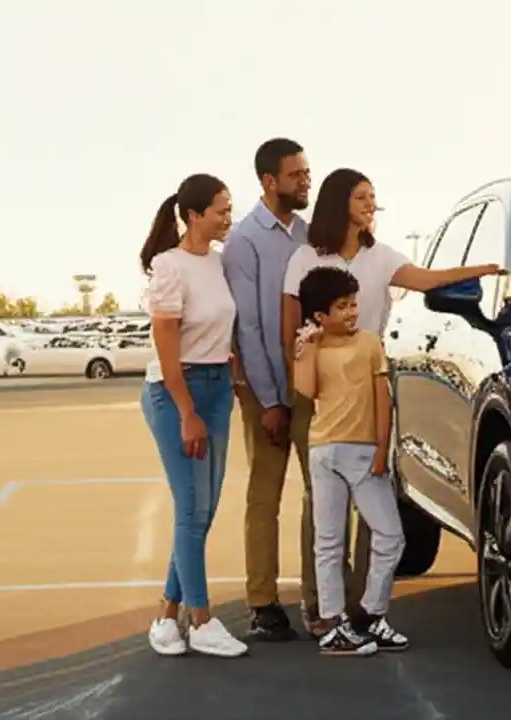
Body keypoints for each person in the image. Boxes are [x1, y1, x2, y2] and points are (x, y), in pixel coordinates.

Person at [279, 167, 503, 616]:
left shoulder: (380, 257)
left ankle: (364, 606)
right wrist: (303, 382)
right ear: (339, 202)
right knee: (322, 503)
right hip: (322, 394)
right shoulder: (304, 258)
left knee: (372, 495)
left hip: (370, 387)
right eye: (361, 196)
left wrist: (488, 269)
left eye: (372, 197)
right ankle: (320, 605)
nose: (370, 204)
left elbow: (428, 279)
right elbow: (290, 330)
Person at [140, 173, 246, 658]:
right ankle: (200, 620)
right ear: (193, 215)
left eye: (229, 208)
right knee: (190, 508)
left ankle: (167, 613)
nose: (228, 217)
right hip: (175, 391)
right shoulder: (169, 266)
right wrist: (187, 412)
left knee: (204, 510)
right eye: (221, 210)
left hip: (218, 388)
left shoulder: (219, 264)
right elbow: (167, 351)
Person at [222, 137, 322, 641]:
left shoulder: (309, 235)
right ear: (269, 181)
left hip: (311, 389)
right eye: (296, 174)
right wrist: (269, 400)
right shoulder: (243, 241)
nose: (306, 180)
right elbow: (248, 327)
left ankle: (320, 599)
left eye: (306, 172)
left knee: (322, 493)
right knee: (265, 496)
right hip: (266, 392)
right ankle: (262, 603)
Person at [294, 266, 407, 656]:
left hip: (364, 452)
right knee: (328, 542)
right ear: (319, 315)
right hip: (324, 451)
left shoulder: (370, 344)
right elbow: (306, 390)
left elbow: (383, 400)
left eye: (353, 304)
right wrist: (307, 349)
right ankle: (333, 625)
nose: (351, 312)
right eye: (341, 306)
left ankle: (372, 614)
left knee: (390, 536)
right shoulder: (310, 347)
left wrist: (382, 450)